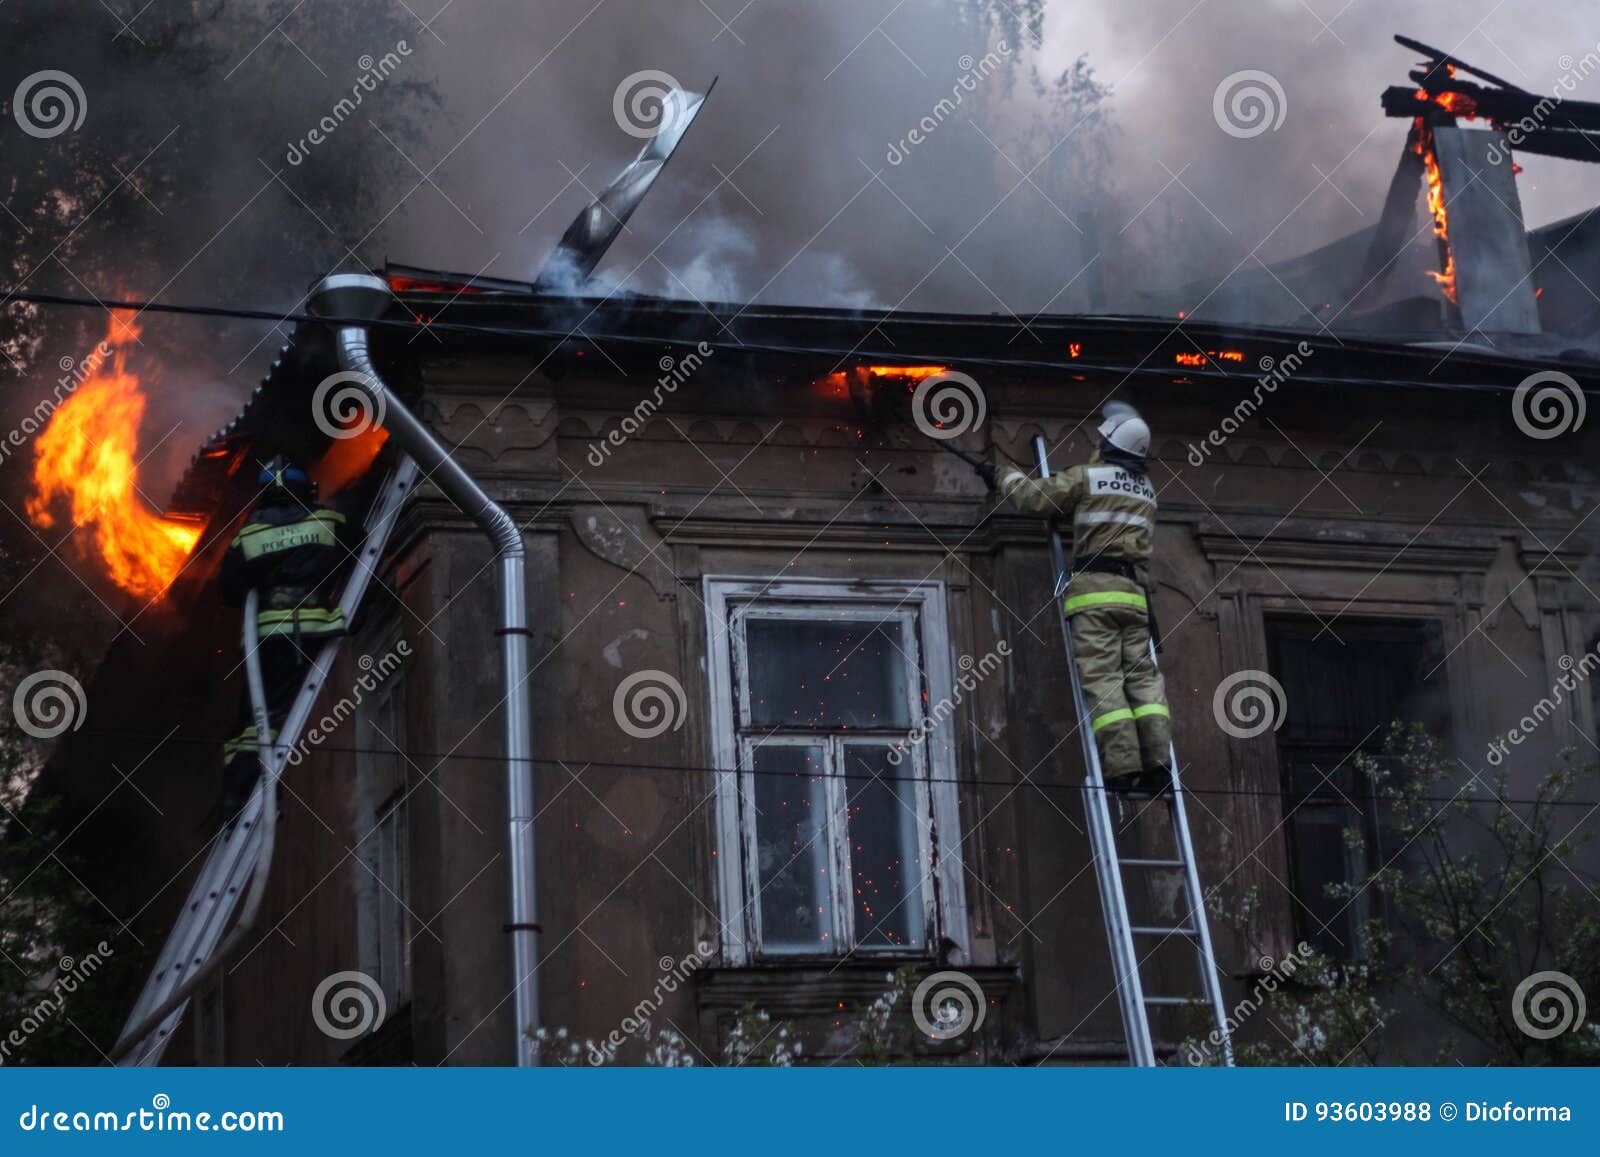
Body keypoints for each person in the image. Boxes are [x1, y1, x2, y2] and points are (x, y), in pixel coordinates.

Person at [979, 402, 1171, 793]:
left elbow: (1035, 499)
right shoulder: (1147, 492)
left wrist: (1001, 476)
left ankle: (1123, 767)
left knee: (1103, 680)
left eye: (1101, 438)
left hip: (1095, 597)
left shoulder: (1087, 478)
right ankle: (1159, 763)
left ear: (1110, 444)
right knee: (1145, 684)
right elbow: (1108, 518)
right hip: (1134, 600)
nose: (1097, 442)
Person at [218, 455, 362, 819]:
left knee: (254, 721)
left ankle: (243, 797)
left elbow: (230, 590)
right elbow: (362, 553)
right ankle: (260, 793)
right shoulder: (330, 521)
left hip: (268, 638)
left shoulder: (248, 534)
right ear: (307, 490)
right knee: (282, 714)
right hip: (317, 630)